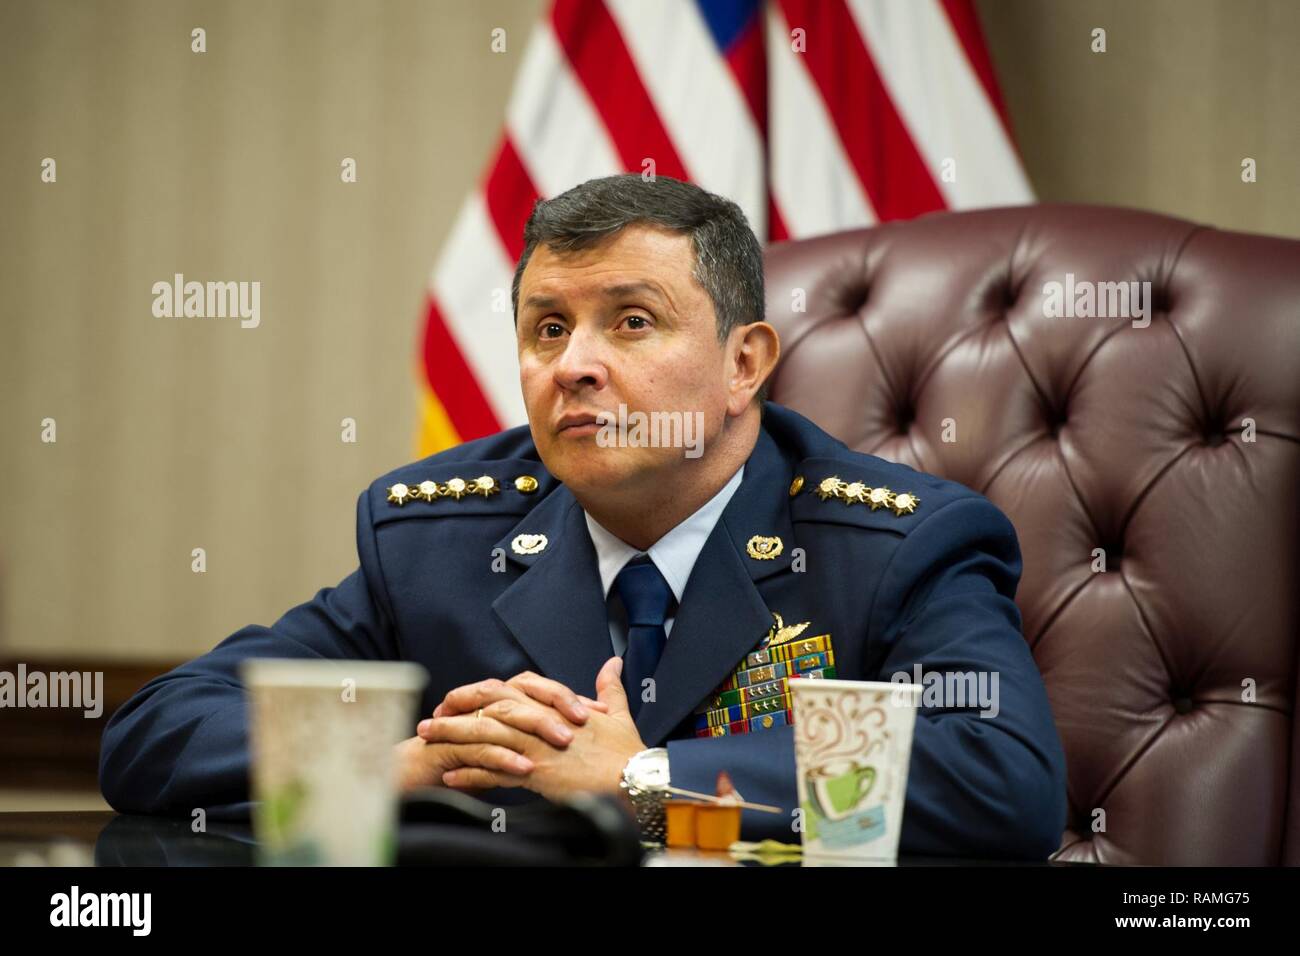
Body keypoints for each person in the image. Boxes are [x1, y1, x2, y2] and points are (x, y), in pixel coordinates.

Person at [100, 174, 1067, 859]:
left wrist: (648, 783)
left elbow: (1000, 780)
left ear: (745, 365)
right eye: (547, 328)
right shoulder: (437, 539)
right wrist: (395, 764)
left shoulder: (890, 542)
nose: (574, 365)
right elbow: (158, 731)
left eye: (632, 321)